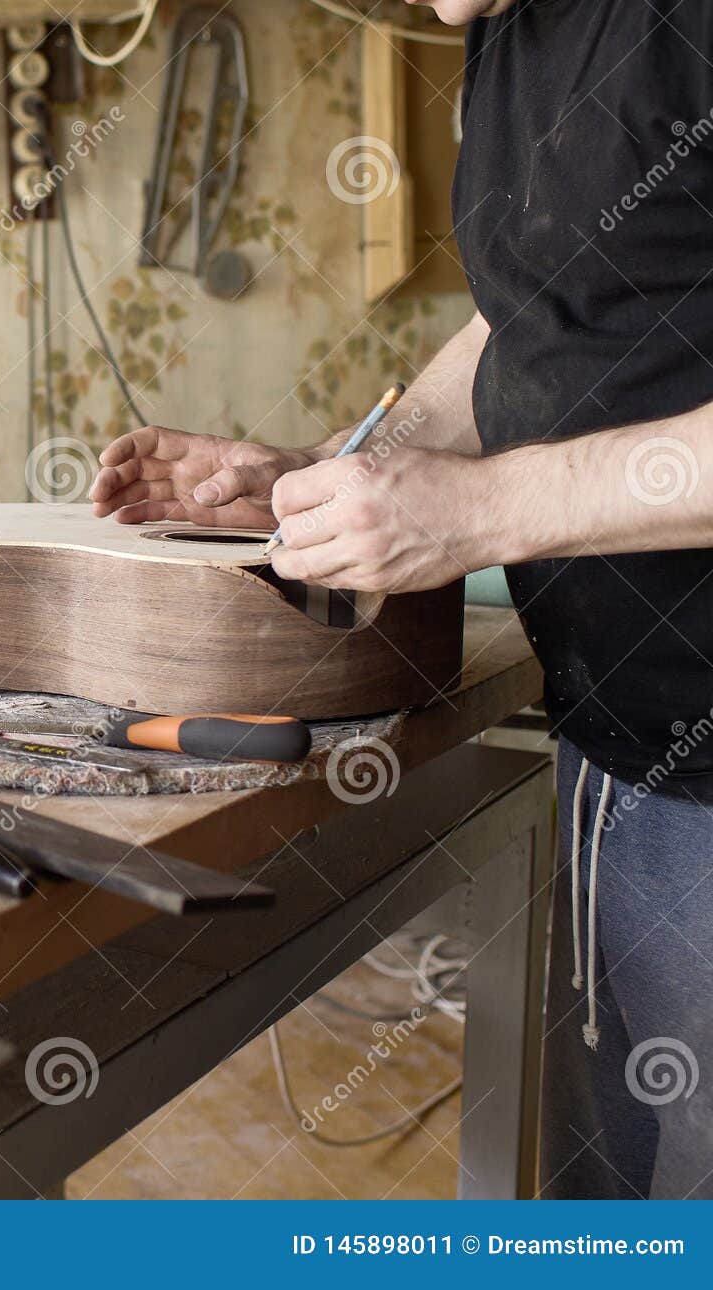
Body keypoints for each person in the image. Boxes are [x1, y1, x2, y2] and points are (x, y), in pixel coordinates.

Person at [90, 0, 713, 1199]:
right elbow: (538, 318)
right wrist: (326, 477)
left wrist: (477, 512)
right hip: (611, 755)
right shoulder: (505, 23)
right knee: (598, 1203)